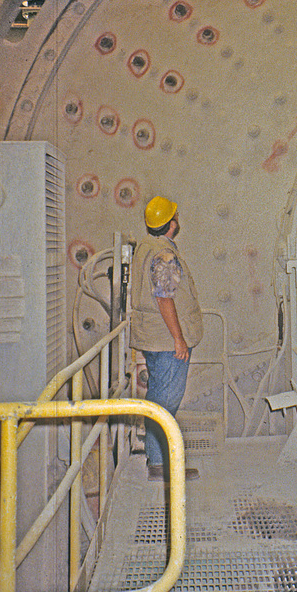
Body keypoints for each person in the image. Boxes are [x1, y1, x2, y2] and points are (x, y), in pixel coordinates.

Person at [130, 196, 204, 480]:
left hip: (156, 338)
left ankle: (157, 459)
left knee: (159, 396)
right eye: (176, 217)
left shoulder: (146, 247)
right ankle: (160, 463)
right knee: (165, 401)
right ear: (172, 223)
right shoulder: (164, 255)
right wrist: (178, 339)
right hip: (165, 341)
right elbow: (164, 298)